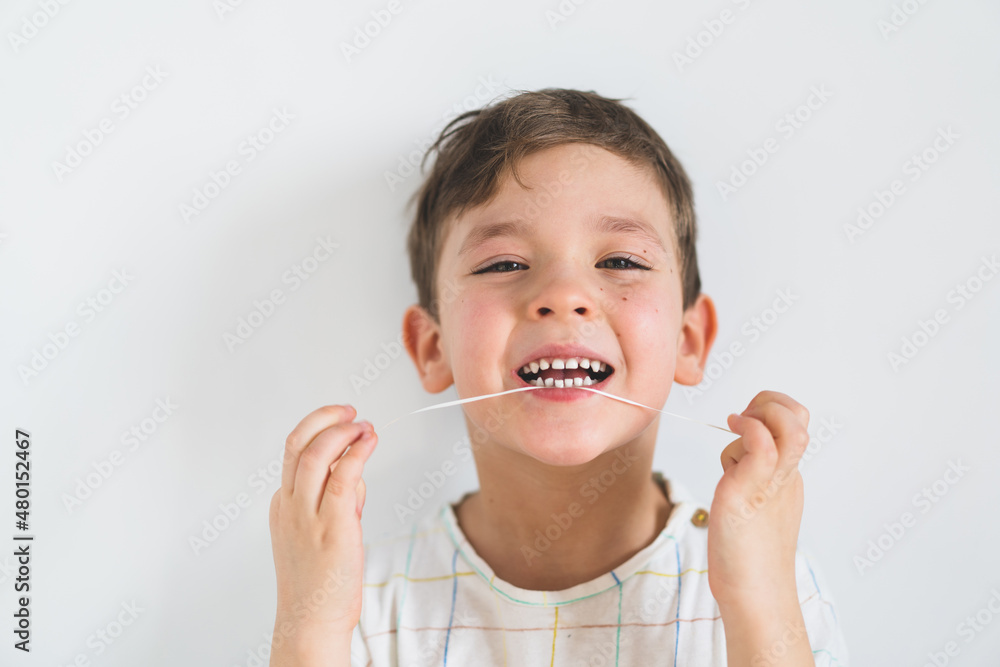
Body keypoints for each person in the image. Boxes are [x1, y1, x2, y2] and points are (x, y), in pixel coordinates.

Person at [267, 88, 850, 666]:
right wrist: (308, 619)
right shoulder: (358, 600)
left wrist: (758, 598)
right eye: (505, 264)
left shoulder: (769, 578)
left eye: (620, 261)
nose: (564, 296)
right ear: (432, 347)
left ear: (688, 341)